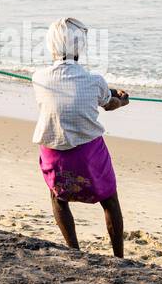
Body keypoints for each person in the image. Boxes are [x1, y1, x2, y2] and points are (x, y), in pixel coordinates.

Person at [30, 18, 130, 256]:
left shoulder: (39, 78)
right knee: (109, 200)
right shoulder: (94, 80)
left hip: (53, 152)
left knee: (58, 198)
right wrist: (122, 99)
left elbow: (67, 92)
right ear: (79, 47)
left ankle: (73, 250)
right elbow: (110, 104)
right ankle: (118, 256)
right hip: (87, 154)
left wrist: (107, 92)